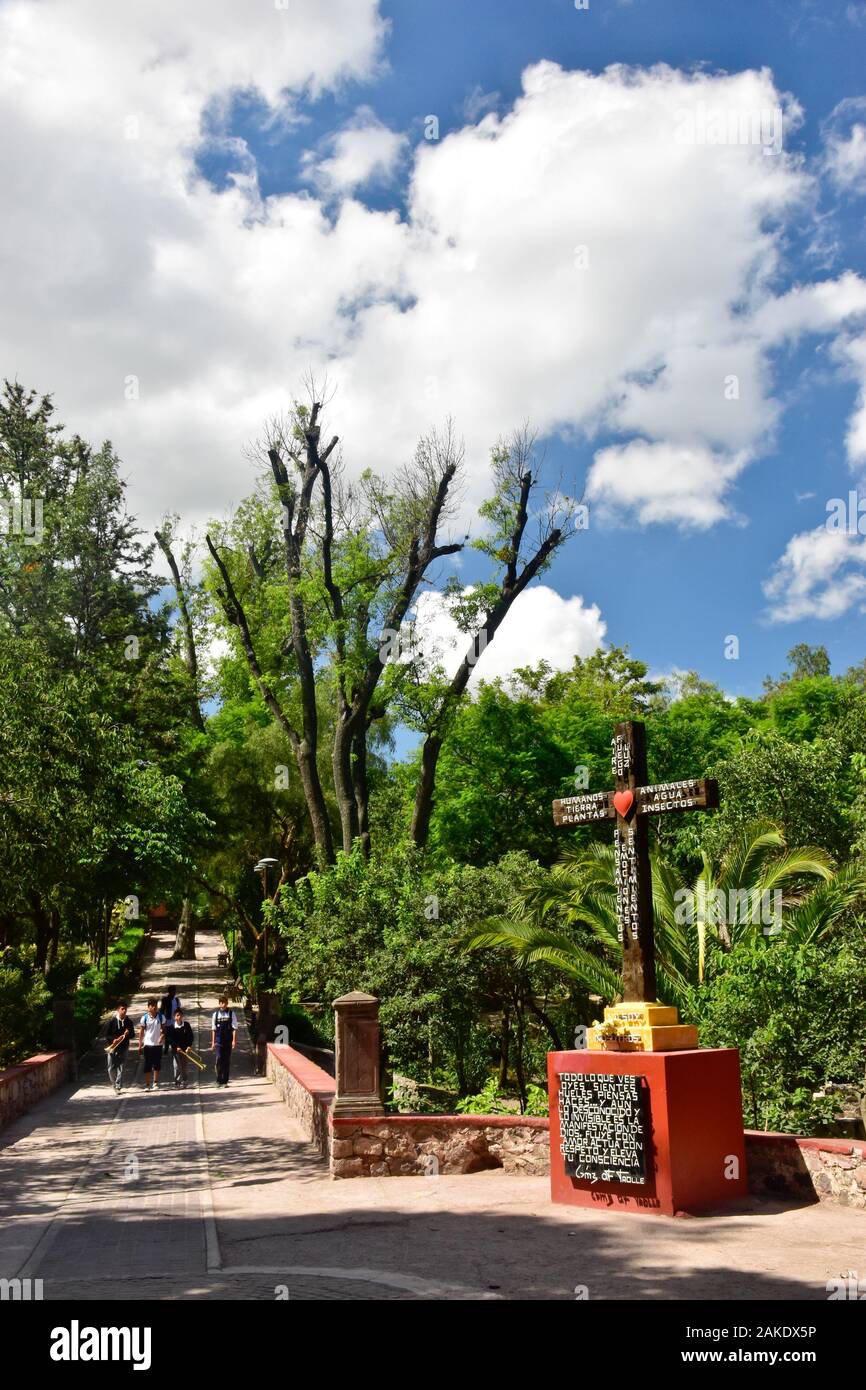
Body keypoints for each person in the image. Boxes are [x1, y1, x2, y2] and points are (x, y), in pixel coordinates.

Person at [104, 1001, 134, 1093]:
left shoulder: (129, 1022)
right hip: (112, 1047)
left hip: (124, 1047)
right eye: (122, 1009)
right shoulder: (111, 1021)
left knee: (121, 1067)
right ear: (118, 1009)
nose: (124, 1011)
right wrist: (113, 1040)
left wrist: (128, 1034)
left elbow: (132, 1035)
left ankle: (118, 1085)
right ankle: (114, 1084)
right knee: (111, 1068)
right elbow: (107, 1035)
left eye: (125, 1009)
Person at [138, 999, 166, 1091]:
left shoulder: (161, 1017)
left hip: (158, 1045)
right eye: (152, 1006)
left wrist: (162, 1036)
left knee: (157, 1064)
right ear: (148, 1007)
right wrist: (140, 1045)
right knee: (147, 1064)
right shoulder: (144, 1018)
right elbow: (141, 1032)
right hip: (147, 1044)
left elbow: (164, 1030)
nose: (154, 1007)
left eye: (155, 1005)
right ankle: (147, 1084)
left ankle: (155, 1083)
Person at [211, 996, 238, 1087]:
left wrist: (234, 1041)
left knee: (226, 1061)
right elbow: (213, 1029)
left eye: (224, 1003)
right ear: (219, 1004)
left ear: (227, 1003)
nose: (222, 1005)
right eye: (221, 1003)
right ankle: (218, 1080)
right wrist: (213, 1042)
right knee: (219, 1060)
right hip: (218, 1041)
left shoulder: (231, 1014)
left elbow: (234, 1028)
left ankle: (225, 1081)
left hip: (228, 1041)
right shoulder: (216, 1015)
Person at [167, 1008, 194, 1088]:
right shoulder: (172, 1027)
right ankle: (177, 1082)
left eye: (180, 1015)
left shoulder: (186, 1025)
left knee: (184, 1065)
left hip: (185, 1049)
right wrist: (176, 1047)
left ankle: (185, 1081)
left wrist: (189, 1046)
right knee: (176, 1066)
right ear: (174, 1017)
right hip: (176, 1050)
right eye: (177, 1015)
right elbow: (170, 1039)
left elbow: (190, 1036)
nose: (179, 1017)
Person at [160, 985, 182, 1055]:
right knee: (167, 1036)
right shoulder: (165, 1000)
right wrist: (162, 1020)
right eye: (172, 991)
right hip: (168, 1021)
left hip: (175, 1021)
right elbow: (162, 1011)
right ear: (169, 992)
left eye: (174, 991)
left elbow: (179, 1009)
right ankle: (166, 1049)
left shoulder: (177, 1000)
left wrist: (180, 1018)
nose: (174, 993)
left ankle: (174, 1049)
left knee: (175, 1035)